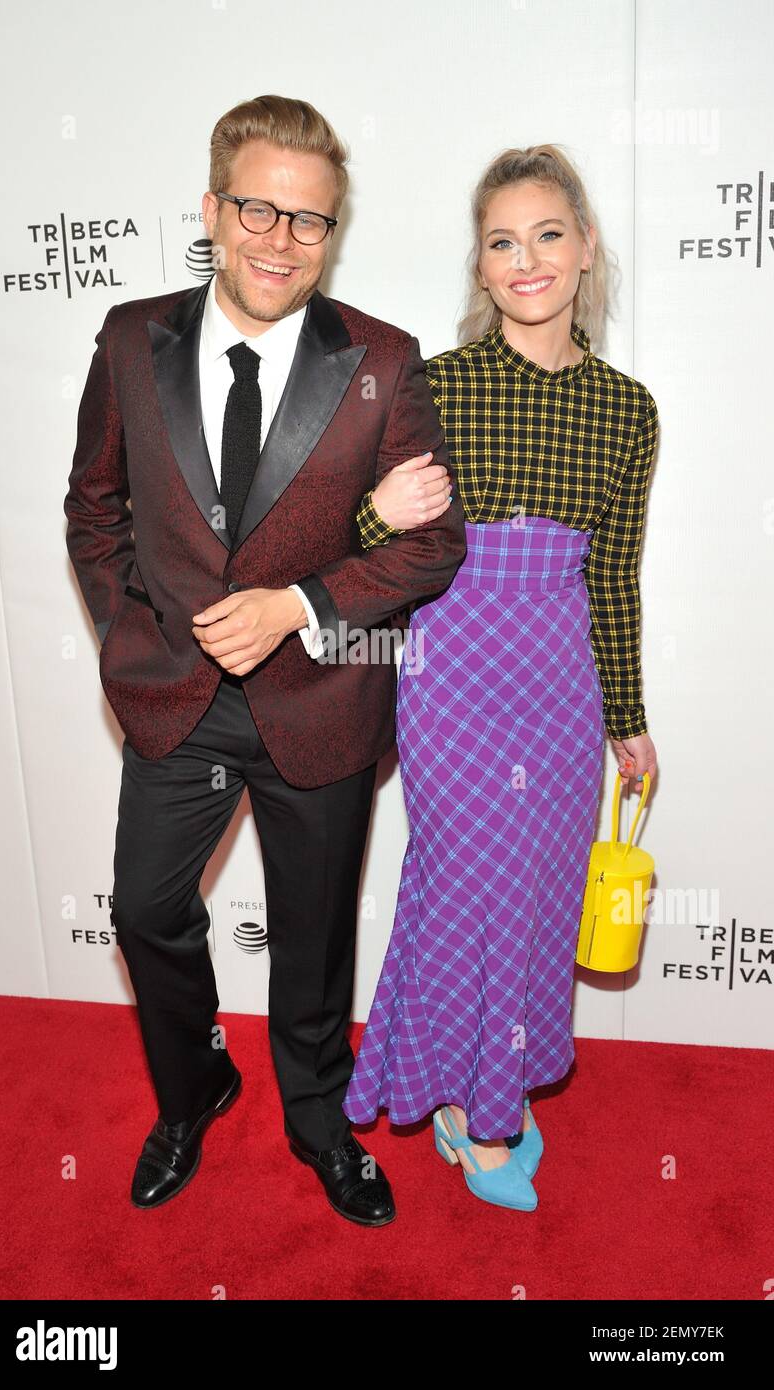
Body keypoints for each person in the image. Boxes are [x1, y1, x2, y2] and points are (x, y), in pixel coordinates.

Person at [63, 94, 467, 1227]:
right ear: (211, 207)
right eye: (257, 209)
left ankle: (318, 1119)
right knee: (145, 910)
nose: (279, 241)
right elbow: (93, 508)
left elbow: (435, 541)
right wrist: (126, 632)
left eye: (309, 221)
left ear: (332, 232)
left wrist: (298, 603)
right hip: (177, 702)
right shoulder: (129, 339)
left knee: (313, 934)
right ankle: (192, 1087)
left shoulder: (379, 359)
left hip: (322, 700)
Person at [342, 144, 659, 1212]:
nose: (525, 260)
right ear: (481, 270)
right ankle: (480, 1120)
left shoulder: (628, 410)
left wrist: (627, 717)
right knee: (467, 887)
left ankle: (470, 1094)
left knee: (533, 901)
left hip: (559, 680)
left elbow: (611, 575)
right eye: (500, 242)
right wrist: (386, 510)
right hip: (453, 666)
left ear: (585, 250)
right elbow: (356, 532)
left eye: (546, 235)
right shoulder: (435, 384)